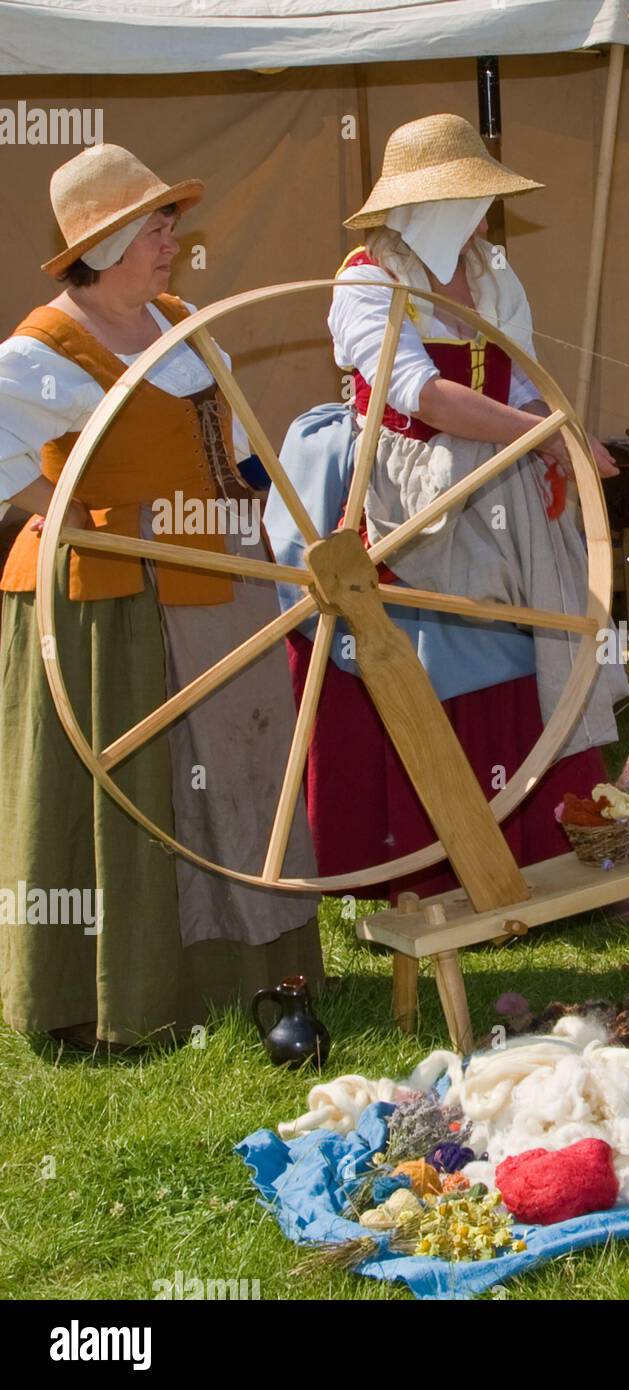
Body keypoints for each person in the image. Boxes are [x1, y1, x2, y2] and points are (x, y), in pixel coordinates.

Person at [0, 143, 320, 1050]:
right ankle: (126, 992)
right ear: (100, 246)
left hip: (219, 583)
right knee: (139, 787)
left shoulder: (179, 320)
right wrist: (85, 517)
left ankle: (251, 971)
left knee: (241, 774)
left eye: (170, 220)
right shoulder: (44, 352)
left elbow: (231, 447)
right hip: (114, 606)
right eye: (154, 226)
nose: (171, 238)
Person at [266, 114, 629, 903]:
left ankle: (555, 841)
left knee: (541, 617)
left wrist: (557, 433)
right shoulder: (366, 280)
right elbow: (419, 395)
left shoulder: (493, 274)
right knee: (443, 627)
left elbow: (526, 383)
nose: (482, 214)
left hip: (496, 461)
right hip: (398, 475)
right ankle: (432, 855)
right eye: (468, 197)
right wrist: (546, 439)